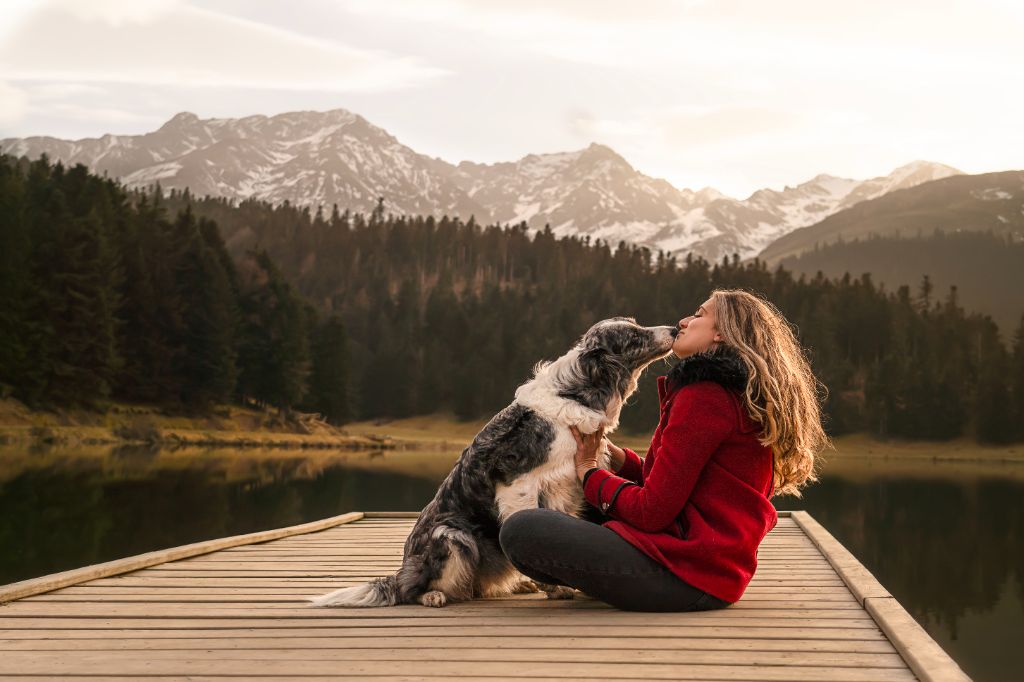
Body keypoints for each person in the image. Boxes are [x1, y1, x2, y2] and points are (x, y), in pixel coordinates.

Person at [498, 288, 833, 612]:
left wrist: (589, 471)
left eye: (700, 315)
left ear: (722, 334)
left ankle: (614, 579)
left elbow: (652, 510)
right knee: (573, 510)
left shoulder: (704, 396)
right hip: (712, 573)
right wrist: (615, 459)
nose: (684, 321)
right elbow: (678, 486)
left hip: (683, 576)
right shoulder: (733, 393)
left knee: (521, 531)